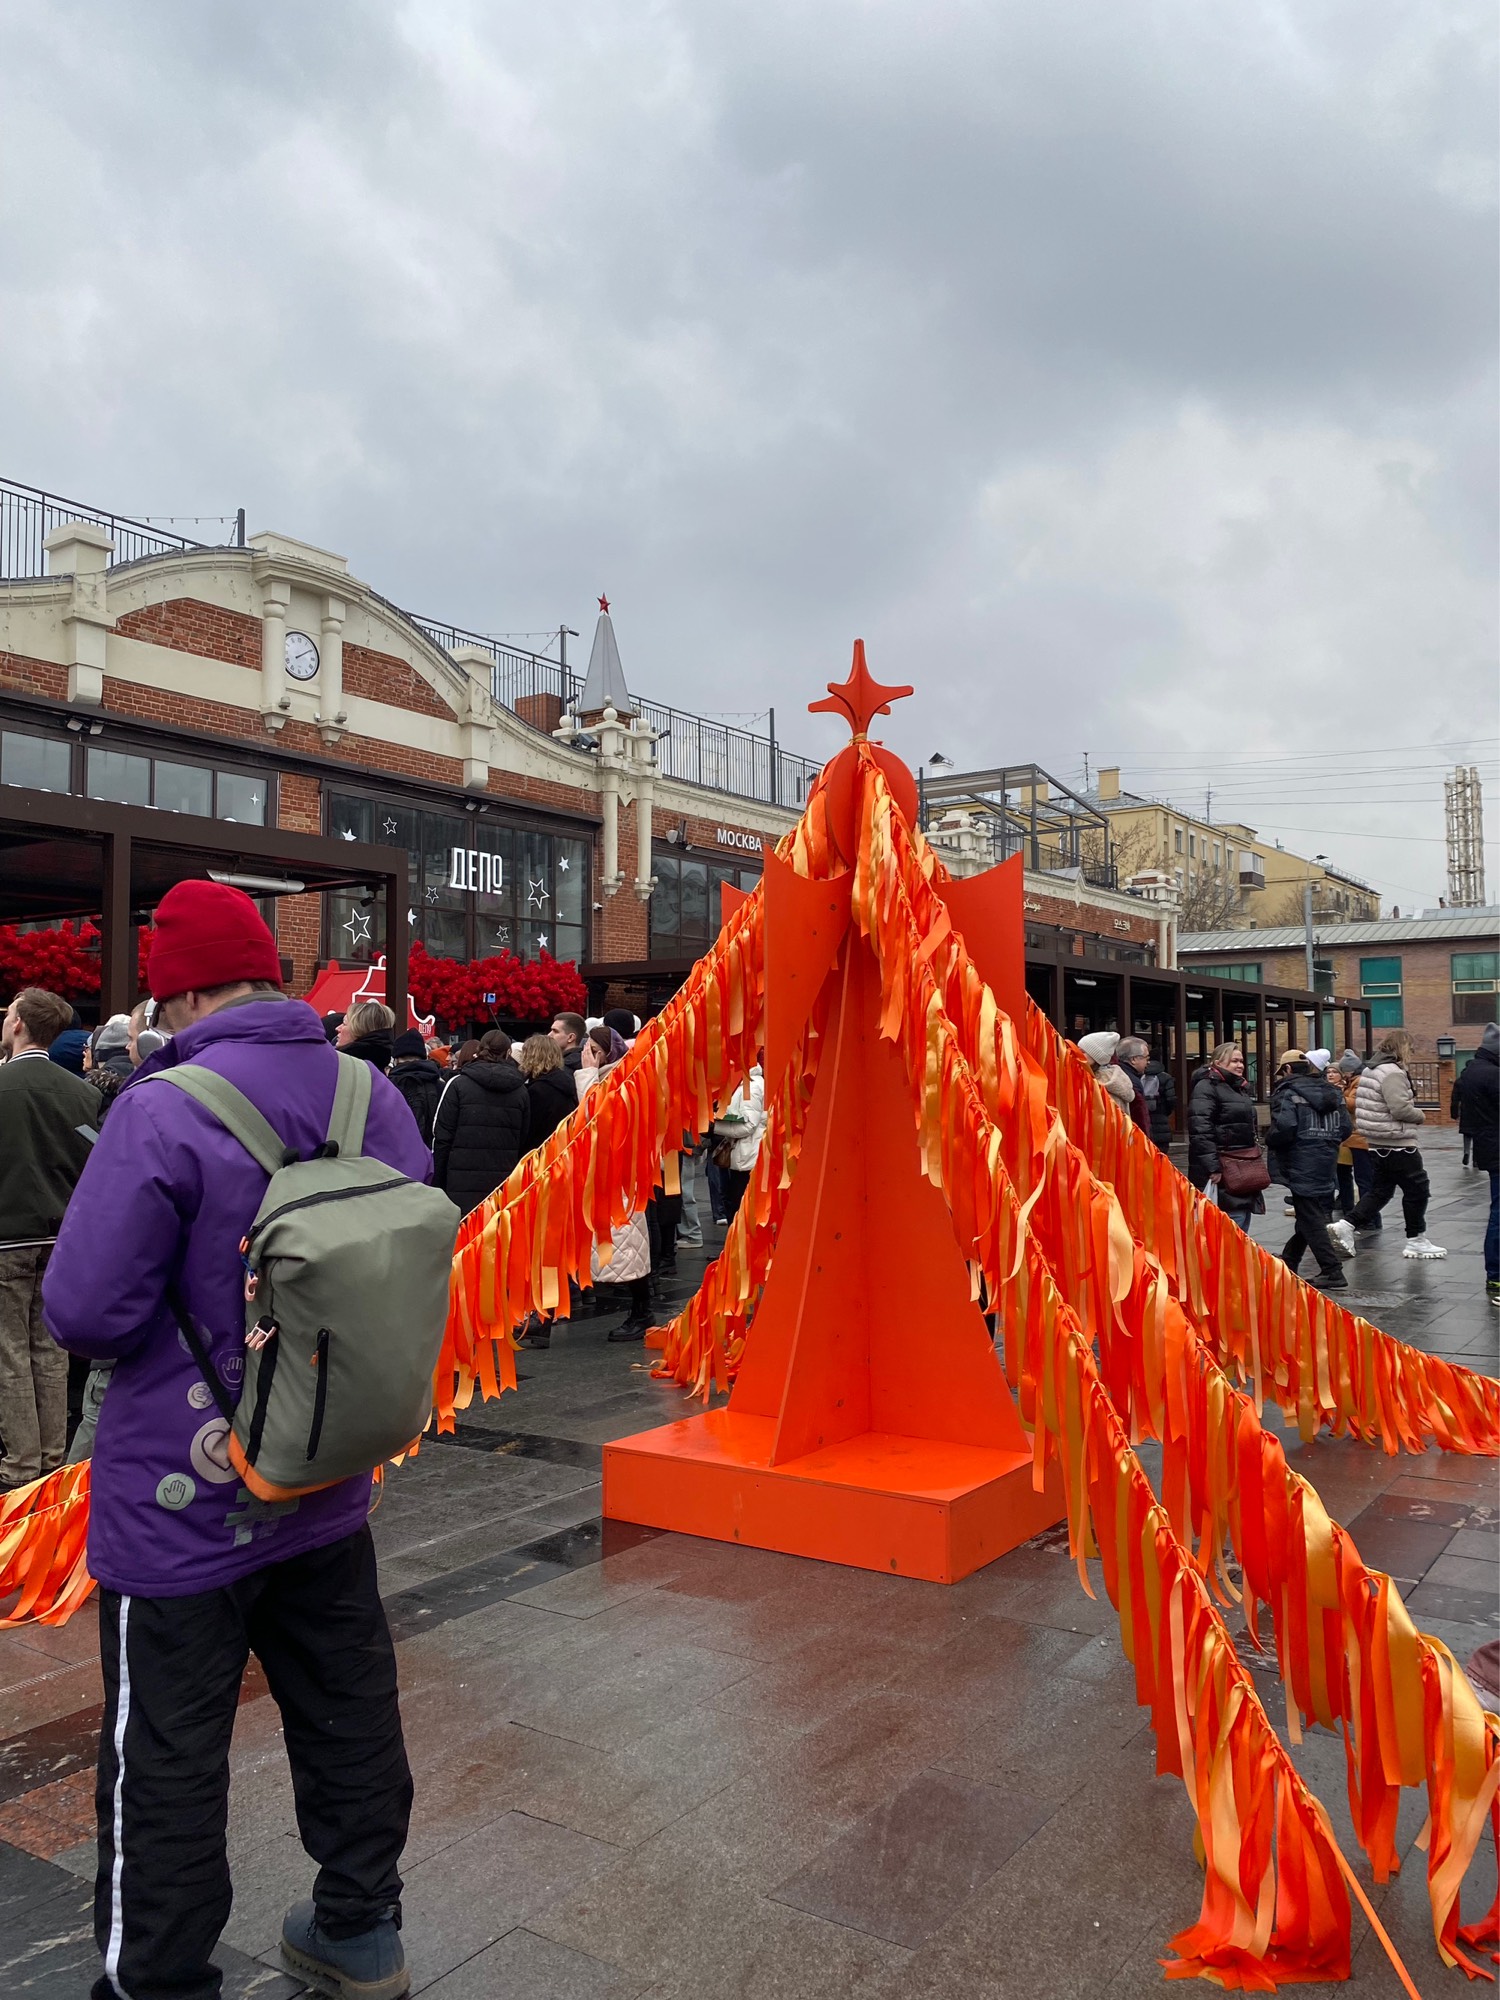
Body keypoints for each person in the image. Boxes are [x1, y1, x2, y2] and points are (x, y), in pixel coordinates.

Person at [40, 881, 431, 2000]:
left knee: (163, 1752)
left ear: (183, 987)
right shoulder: (373, 1090)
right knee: (348, 1706)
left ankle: (158, 1977)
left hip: (183, 1498)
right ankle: (359, 1928)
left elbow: (87, 1311)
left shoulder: (161, 1109)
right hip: (330, 1465)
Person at [0, 986, 99, 1489]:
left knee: (10, 1352)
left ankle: (21, 1465)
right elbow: (95, 1165)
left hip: (6, 1237)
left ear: (18, 1025)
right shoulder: (82, 1093)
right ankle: (50, 1461)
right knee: (50, 1350)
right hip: (61, 1238)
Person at [577, 1026, 655, 1339]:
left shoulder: (623, 1079)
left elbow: (593, 1119)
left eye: (594, 1051)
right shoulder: (609, 1077)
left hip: (619, 1178)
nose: (588, 1057)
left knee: (628, 1245)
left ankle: (642, 1312)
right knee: (617, 1245)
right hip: (601, 1177)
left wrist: (587, 1075)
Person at [1345, 1031, 1446, 1258]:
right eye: (1410, 1049)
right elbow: (1399, 1108)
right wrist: (1420, 1115)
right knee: (1418, 1189)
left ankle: (1346, 1224)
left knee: (1380, 1191)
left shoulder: (1371, 1069)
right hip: (1398, 1141)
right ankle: (1416, 1239)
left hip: (1376, 1141)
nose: (1411, 1053)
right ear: (1401, 1048)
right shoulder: (1391, 1072)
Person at [1267, 1051, 1352, 1290]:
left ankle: (1332, 1269)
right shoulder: (1333, 1092)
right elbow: (1345, 1128)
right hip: (1326, 1160)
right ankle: (1290, 1259)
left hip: (1300, 1161)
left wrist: (1269, 1139)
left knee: (1311, 1217)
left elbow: (1284, 1128)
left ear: (1289, 1070)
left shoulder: (1287, 1092)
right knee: (1309, 1213)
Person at [431, 1028, 528, 1217]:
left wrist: (438, 1181)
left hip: (459, 1180)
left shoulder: (458, 1084)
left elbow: (442, 1136)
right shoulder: (520, 1091)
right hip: (503, 1181)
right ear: (508, 1053)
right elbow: (523, 1139)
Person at [1186, 1042, 1261, 1232]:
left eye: (1242, 1061)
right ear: (1218, 1062)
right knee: (1228, 1223)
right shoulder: (1206, 1087)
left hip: (1241, 1165)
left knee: (1241, 1218)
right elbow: (1200, 1129)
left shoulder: (1237, 1087)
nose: (1240, 1065)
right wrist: (1212, 1166)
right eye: (1234, 1061)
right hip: (1223, 1167)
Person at [1455, 1022, 1498, 1305]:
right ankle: (1496, 1275)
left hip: (1489, 1147)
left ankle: (1495, 1274)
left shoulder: (1472, 1070)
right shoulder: (1493, 1074)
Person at [719, 1063, 766, 1223]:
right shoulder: (748, 1084)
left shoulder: (750, 1087)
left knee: (739, 1208)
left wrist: (714, 1127)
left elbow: (749, 1125)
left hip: (747, 1157)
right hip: (747, 1156)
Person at [1078, 1030, 1149, 1130]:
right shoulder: (1090, 1078)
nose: (1077, 1053)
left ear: (1097, 1057)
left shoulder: (1108, 1086)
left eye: (1083, 1051)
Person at [519, 1033, 576, 1151]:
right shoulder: (567, 1082)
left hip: (540, 1154)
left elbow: (530, 1131)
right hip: (560, 1150)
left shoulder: (538, 1090)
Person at [386, 1029, 443, 1148]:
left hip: (397, 1153)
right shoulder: (440, 1084)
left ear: (396, 1059)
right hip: (433, 1152)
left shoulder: (388, 1086)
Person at [1117, 1035, 1175, 1146]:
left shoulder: (1122, 1074)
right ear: (1133, 1059)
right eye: (1146, 1058)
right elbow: (1138, 1113)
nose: (1148, 1062)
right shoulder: (1131, 1080)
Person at [1333, 1051, 1365, 1218]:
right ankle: (1350, 1210)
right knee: (1346, 1175)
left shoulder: (1359, 1082)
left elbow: (1355, 1104)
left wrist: (1340, 1096)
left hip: (1358, 1137)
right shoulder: (1352, 1082)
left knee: (1363, 1179)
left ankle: (1367, 1218)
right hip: (1349, 1138)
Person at [336, 999, 395, 1073]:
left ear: (359, 1030)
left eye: (344, 1024)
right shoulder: (381, 1066)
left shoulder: (341, 1067)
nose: (337, 1028)